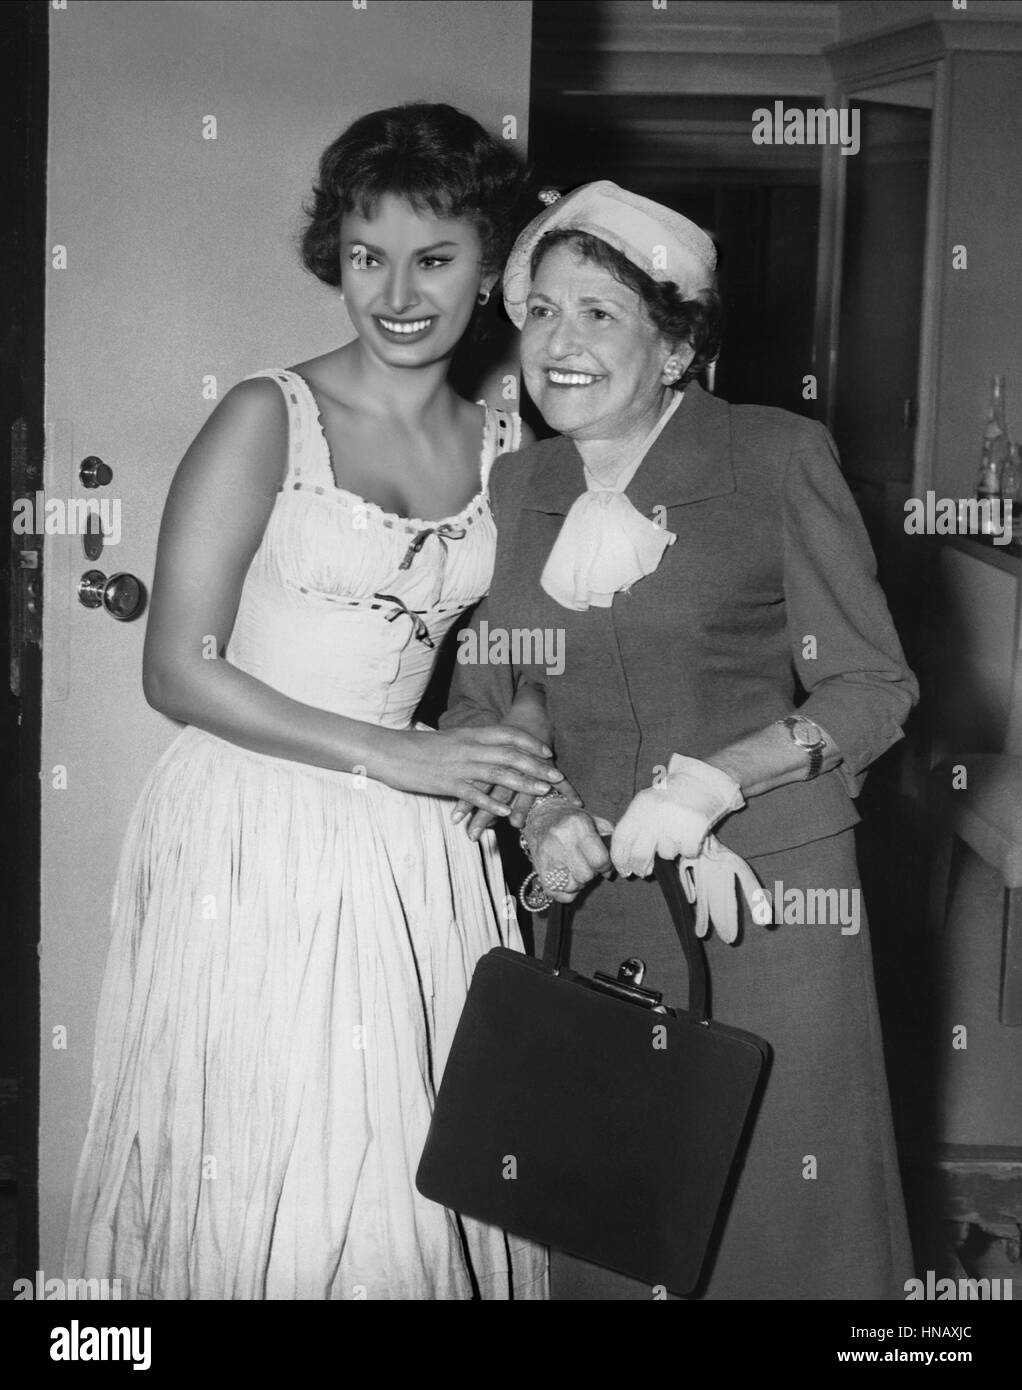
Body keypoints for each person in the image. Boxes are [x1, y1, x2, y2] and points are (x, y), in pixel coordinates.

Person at [63, 103, 557, 1301]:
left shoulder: (510, 442)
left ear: (489, 265)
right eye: (364, 255)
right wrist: (395, 755)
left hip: (415, 843)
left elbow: (536, 644)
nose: (396, 291)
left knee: (398, 1169)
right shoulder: (259, 417)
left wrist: (522, 734)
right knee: (263, 1162)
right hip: (257, 824)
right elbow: (178, 668)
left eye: (432, 258)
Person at [442, 181, 919, 1300]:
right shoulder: (515, 485)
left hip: (765, 898)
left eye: (598, 313)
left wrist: (714, 780)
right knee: (604, 1214)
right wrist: (540, 807)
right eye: (542, 311)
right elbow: (480, 701)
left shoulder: (772, 457)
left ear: (674, 346)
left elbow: (871, 684)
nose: (559, 343)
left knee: (780, 1218)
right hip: (593, 900)